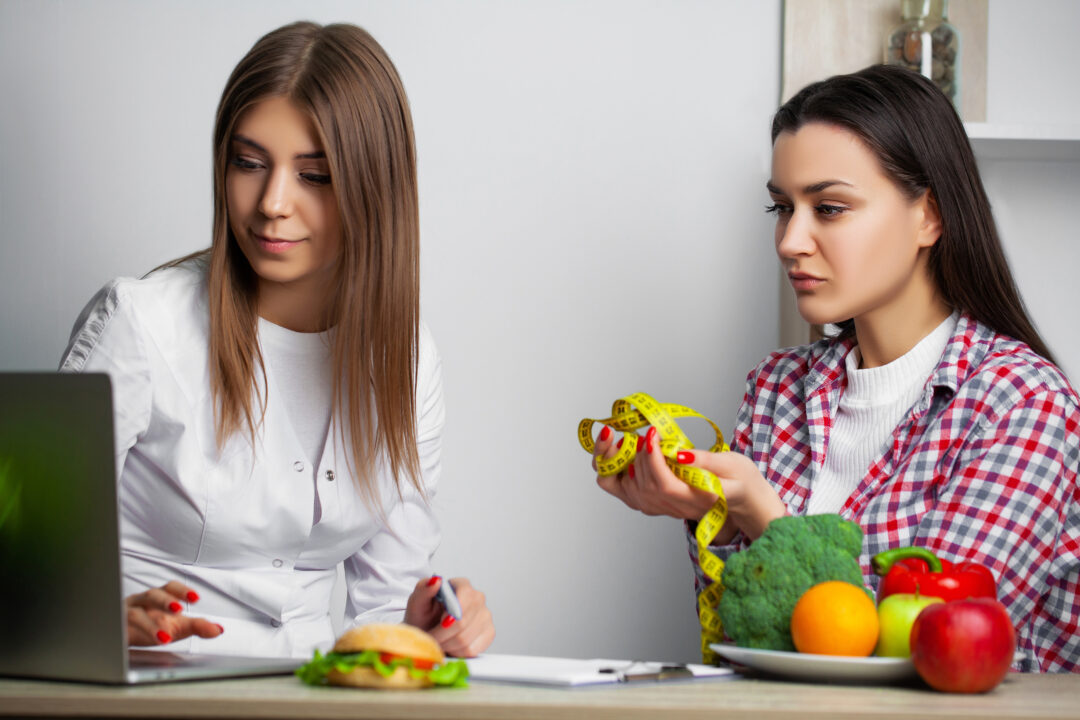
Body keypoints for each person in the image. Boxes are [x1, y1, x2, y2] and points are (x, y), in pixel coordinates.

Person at [590, 65, 1079, 672]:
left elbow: (933, 652)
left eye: (829, 208)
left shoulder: (1020, 401)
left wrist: (760, 515)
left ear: (929, 215)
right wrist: (707, 514)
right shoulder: (775, 389)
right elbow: (747, 644)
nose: (790, 240)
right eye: (780, 207)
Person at [59, 21, 494, 660]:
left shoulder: (404, 356)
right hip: (140, 693)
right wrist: (94, 618)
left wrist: (435, 625)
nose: (272, 202)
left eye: (315, 175)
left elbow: (381, 611)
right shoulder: (139, 324)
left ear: (376, 189)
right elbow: (24, 575)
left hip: (308, 699)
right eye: (249, 163)